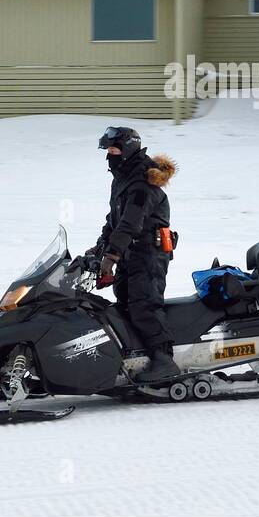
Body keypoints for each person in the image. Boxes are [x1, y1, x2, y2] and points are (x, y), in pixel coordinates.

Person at [89, 127, 180, 383]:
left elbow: (131, 223)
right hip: (130, 252)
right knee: (123, 302)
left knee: (143, 304)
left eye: (113, 150)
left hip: (148, 254)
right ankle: (136, 356)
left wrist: (111, 256)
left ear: (128, 150)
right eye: (107, 151)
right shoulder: (122, 179)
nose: (109, 156)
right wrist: (99, 247)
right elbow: (114, 220)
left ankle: (164, 359)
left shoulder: (143, 183)